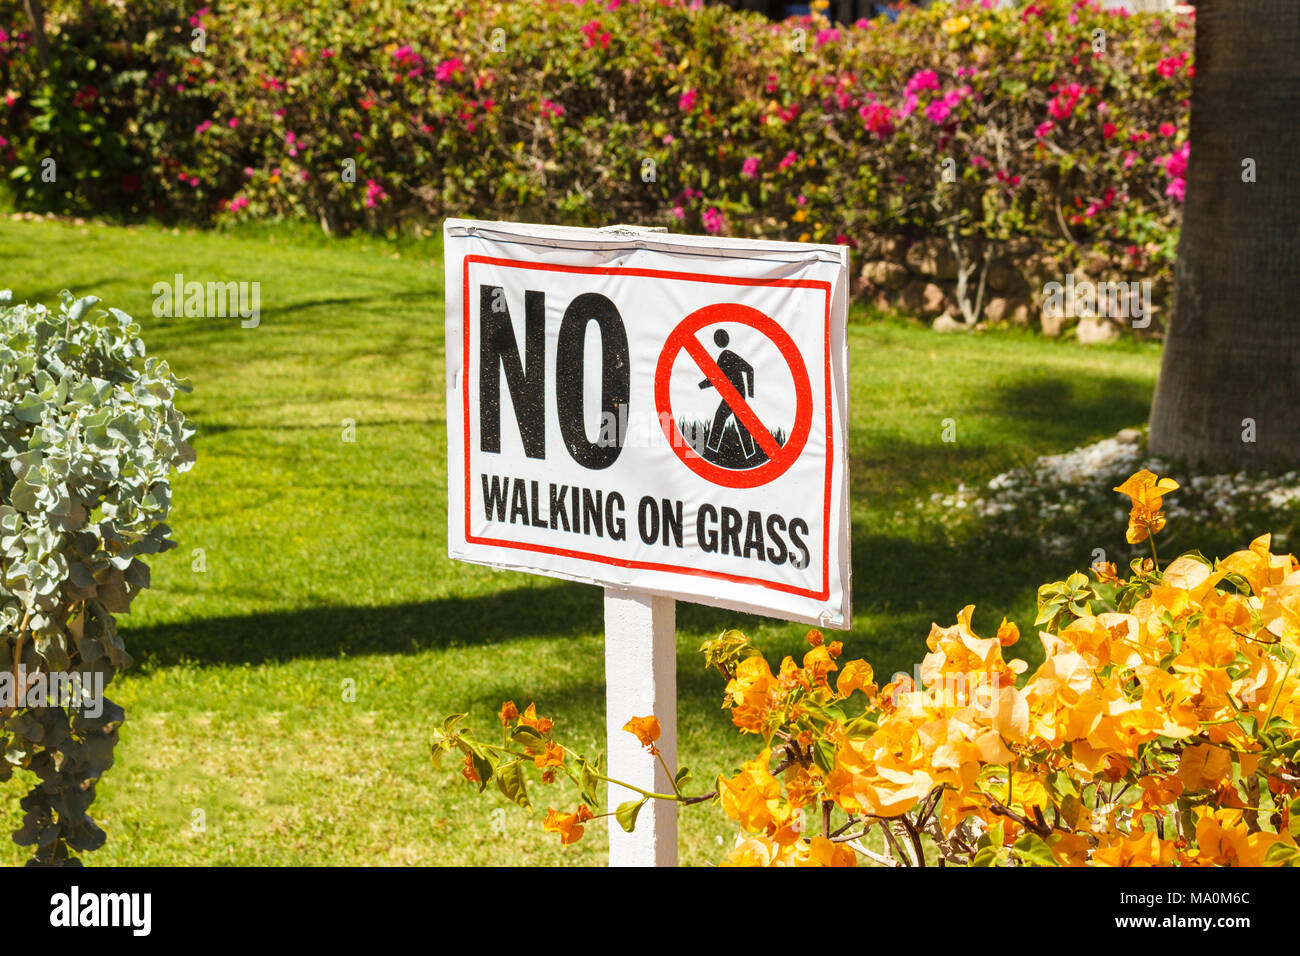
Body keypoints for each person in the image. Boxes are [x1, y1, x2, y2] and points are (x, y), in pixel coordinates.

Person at [699, 328, 757, 459]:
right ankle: (751, 454)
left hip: (735, 395)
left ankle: (711, 449)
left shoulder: (727, 355)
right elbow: (714, 378)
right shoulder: (724, 357)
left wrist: (751, 393)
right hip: (732, 394)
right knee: (739, 422)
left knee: (721, 417)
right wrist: (700, 386)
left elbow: (750, 369)